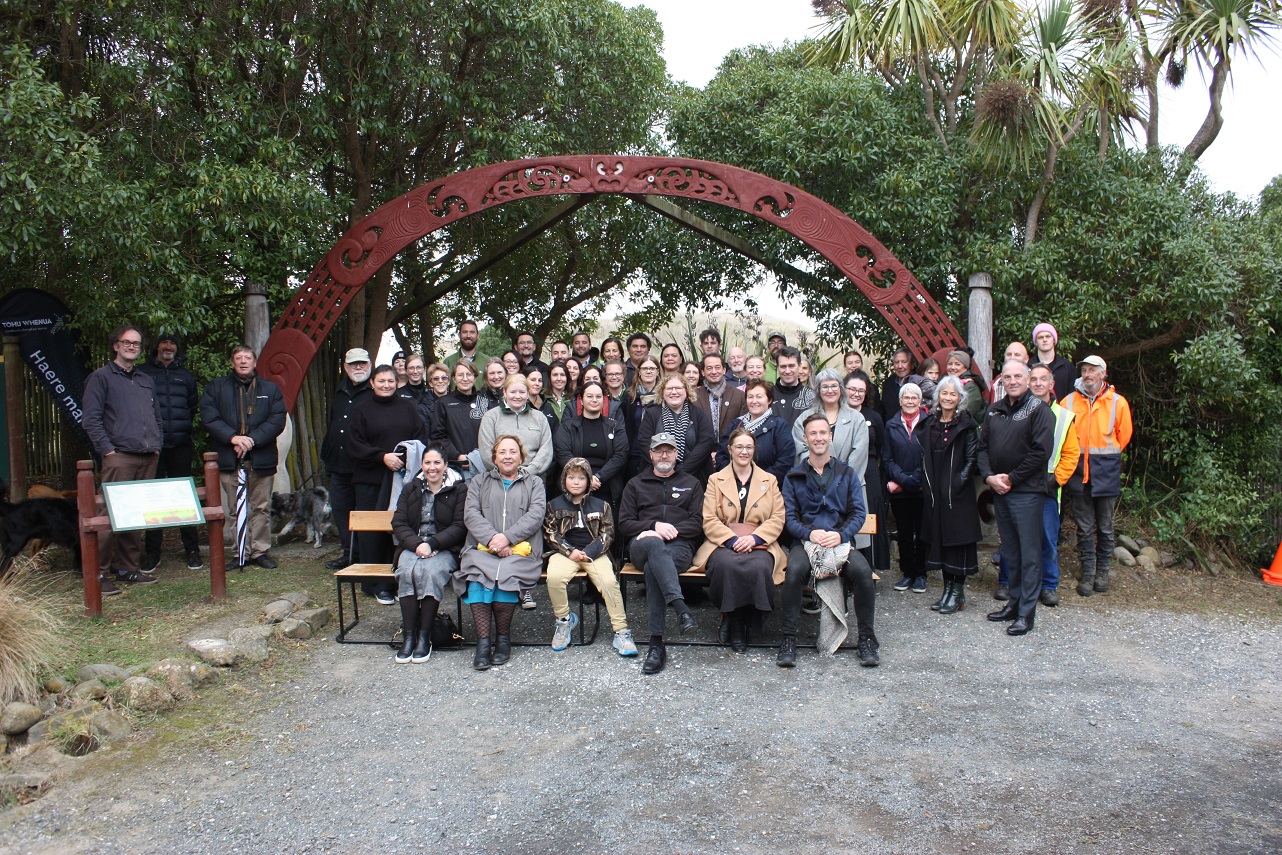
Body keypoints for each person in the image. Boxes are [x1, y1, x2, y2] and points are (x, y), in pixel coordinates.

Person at [779, 413, 879, 668]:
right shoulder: (793, 476)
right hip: (806, 542)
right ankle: (788, 639)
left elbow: (858, 512)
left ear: (830, 436)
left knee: (863, 573)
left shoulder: (846, 473)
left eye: (823, 433)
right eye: (813, 433)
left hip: (839, 541)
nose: (818, 438)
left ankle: (867, 638)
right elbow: (789, 518)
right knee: (794, 571)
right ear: (805, 438)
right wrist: (808, 533)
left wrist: (841, 534)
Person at [83, 324, 163, 594]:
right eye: (126, 342)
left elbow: (156, 417)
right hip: (119, 458)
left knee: (136, 515)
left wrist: (157, 444)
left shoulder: (144, 379)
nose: (131, 347)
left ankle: (129, 569)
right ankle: (99, 574)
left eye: (136, 343)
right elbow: (91, 420)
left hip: (147, 456)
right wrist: (108, 451)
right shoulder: (101, 377)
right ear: (115, 345)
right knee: (108, 517)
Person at [617, 433, 704, 675]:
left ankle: (656, 644)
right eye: (659, 451)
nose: (664, 455)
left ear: (677, 455)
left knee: (653, 567)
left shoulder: (692, 483)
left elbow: (697, 523)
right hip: (641, 545)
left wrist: (670, 531)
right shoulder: (635, 484)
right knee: (654, 546)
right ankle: (681, 609)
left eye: (669, 451)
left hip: (679, 547)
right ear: (651, 455)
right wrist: (653, 527)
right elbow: (624, 523)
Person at [692, 428, 786, 653]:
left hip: (759, 542)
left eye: (749, 447)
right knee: (727, 565)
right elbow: (709, 518)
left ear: (754, 450)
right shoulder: (715, 479)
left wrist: (754, 538)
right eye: (739, 447)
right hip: (724, 541)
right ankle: (734, 623)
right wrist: (732, 540)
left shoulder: (769, 480)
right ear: (730, 449)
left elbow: (778, 517)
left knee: (760, 566)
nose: (744, 451)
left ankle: (748, 619)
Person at [458, 434, 546, 669]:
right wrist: (493, 540)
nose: (508, 456)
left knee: (505, 575)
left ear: (521, 457)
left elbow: (536, 515)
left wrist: (508, 538)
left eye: (513, 452)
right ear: (494, 457)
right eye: (503, 452)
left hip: (521, 551)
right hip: (481, 548)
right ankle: (483, 643)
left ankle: (503, 640)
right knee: (478, 577)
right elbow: (471, 514)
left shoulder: (534, 483)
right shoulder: (479, 482)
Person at [996, 363, 1081, 606]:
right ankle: (1007, 581)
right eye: (1034, 379)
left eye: (1044, 379)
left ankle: (1048, 585)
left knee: (1046, 537)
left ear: (1052, 384)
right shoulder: (1015, 411)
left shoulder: (1064, 416)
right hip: (1018, 483)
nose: (1038, 383)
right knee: (1011, 537)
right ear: (1027, 382)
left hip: (1047, 486)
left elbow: (1071, 454)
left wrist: (1056, 480)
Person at [981, 360, 1054, 636]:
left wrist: (1010, 478)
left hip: (1027, 492)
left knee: (1030, 554)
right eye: (1007, 377)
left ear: (1027, 379)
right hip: (1000, 491)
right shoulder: (994, 411)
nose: (1012, 381)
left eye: (1017, 376)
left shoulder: (1039, 410)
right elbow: (982, 448)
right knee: (1011, 552)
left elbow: (1040, 453)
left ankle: (1026, 613)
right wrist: (989, 477)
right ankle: (1013, 604)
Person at [348, 364, 429, 603]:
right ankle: (377, 584)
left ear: (397, 383)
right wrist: (381, 456)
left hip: (402, 479)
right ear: (372, 383)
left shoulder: (408, 408)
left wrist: (405, 459)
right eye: (381, 381)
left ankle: (401, 578)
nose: (386, 385)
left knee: (400, 528)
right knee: (373, 533)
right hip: (371, 480)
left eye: (390, 381)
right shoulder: (361, 410)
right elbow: (354, 444)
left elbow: (420, 438)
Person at [200, 344, 286, 571]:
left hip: (262, 457)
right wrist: (233, 438)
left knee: (261, 506)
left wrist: (251, 440)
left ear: (255, 362)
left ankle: (260, 551)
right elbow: (209, 417)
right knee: (234, 507)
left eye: (247, 357)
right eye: (238, 357)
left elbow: (277, 420)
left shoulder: (271, 389)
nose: (243, 361)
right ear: (232, 362)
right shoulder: (217, 388)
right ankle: (240, 552)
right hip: (230, 457)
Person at [543, 458, 636, 656]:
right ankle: (564, 621)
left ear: (588, 481)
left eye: (581, 478)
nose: (575, 482)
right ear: (564, 480)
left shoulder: (601, 505)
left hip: (595, 553)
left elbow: (608, 533)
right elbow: (550, 533)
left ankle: (621, 631)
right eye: (571, 477)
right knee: (555, 578)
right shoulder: (554, 505)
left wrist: (590, 552)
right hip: (565, 553)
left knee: (609, 582)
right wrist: (569, 551)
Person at [1061, 355, 1132, 597]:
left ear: (1103, 373)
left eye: (1092, 370)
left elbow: (1124, 436)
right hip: (1077, 472)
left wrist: (1103, 459)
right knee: (1084, 527)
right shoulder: (1068, 402)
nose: (1087, 374)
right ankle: (1088, 571)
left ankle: (1102, 572)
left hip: (1106, 471)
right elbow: (1060, 436)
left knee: (1105, 527)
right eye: (1084, 370)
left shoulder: (1118, 403)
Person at [389, 445, 467, 664]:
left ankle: (425, 637)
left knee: (430, 572)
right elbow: (399, 522)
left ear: (445, 465)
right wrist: (417, 545)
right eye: (427, 463)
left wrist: (432, 543)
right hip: (413, 546)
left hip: (444, 547)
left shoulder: (459, 489)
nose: (432, 468)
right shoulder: (411, 488)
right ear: (422, 465)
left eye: (436, 463)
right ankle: (409, 637)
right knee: (407, 571)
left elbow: (460, 525)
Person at [915, 376, 982, 614]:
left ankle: (958, 593)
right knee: (942, 543)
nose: (948, 397)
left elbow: (972, 459)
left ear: (960, 398)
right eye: (944, 393)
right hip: (935, 496)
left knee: (958, 544)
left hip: (957, 495)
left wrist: (956, 485)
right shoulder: (930, 424)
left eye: (953, 394)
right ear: (938, 397)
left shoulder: (966, 424)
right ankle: (947, 590)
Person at [138, 332, 202, 572]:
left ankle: (192, 550)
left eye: (172, 343)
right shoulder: (143, 373)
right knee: (153, 499)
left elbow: (191, 407)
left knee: (184, 497)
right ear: (156, 347)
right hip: (152, 447)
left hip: (181, 444)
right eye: (164, 342)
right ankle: (153, 553)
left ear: (177, 348)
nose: (168, 346)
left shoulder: (185, 376)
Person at [319, 348, 372, 570]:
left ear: (370, 365)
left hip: (363, 466)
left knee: (363, 511)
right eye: (353, 364)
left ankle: (366, 554)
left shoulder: (375, 391)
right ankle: (348, 552)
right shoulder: (340, 390)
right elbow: (333, 422)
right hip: (338, 464)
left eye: (362, 363)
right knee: (340, 509)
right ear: (345, 367)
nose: (358, 368)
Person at [553, 381, 629, 511]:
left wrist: (598, 477)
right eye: (589, 396)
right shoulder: (567, 427)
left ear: (604, 400)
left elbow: (621, 455)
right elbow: (563, 454)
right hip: (574, 488)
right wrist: (586, 478)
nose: (594, 400)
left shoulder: (615, 426)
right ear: (581, 400)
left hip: (606, 486)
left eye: (599, 397)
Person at [883, 382, 927, 593]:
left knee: (921, 533)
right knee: (904, 533)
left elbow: (928, 456)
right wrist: (902, 479)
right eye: (906, 398)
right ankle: (907, 573)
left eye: (914, 398)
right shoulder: (891, 425)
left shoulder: (929, 424)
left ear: (920, 401)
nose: (910, 401)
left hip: (921, 489)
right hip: (900, 491)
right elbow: (887, 459)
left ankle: (921, 574)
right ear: (900, 401)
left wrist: (914, 480)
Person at [636, 372, 717, 483]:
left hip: (694, 476)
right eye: (669, 388)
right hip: (657, 476)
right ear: (662, 392)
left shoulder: (698, 414)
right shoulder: (652, 413)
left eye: (678, 388)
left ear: (686, 391)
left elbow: (706, 441)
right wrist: (665, 469)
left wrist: (682, 470)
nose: (674, 392)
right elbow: (644, 442)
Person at [846, 373, 890, 577]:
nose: (856, 394)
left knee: (868, 518)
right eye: (852, 389)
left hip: (869, 470)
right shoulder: (838, 414)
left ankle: (868, 569)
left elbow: (881, 446)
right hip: (842, 467)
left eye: (860, 390)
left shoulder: (874, 417)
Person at [477, 373, 554, 479]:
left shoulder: (539, 417)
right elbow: (486, 451)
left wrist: (528, 471)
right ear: (504, 392)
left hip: (533, 478)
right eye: (513, 392)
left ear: (527, 394)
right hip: (500, 480)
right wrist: (508, 472)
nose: (517, 396)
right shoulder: (491, 417)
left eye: (522, 392)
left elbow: (546, 450)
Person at [717, 378, 794, 481]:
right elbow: (722, 455)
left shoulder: (779, 426)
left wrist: (758, 481)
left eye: (759, 397)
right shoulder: (736, 425)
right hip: (734, 485)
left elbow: (785, 461)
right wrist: (735, 478)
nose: (754, 401)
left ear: (769, 400)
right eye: (750, 397)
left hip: (767, 486)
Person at [432, 360, 486, 482]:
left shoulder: (484, 402)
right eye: (460, 375)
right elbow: (438, 436)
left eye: (469, 374)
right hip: (456, 468)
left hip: (483, 466)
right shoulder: (443, 403)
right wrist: (457, 456)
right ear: (454, 379)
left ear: (475, 377)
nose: (465, 378)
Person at [622, 354, 661, 478]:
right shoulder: (630, 395)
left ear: (658, 371)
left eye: (652, 368)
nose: (648, 371)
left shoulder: (665, 396)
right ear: (639, 372)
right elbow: (625, 424)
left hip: (659, 453)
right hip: (634, 453)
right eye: (644, 368)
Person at [695, 352, 746, 440]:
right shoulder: (694, 396)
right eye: (709, 368)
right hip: (702, 449)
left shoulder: (739, 395)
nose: (714, 372)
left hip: (730, 449)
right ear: (703, 372)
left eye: (717, 367)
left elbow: (742, 428)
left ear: (724, 370)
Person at [770, 347, 815, 424]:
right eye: (783, 366)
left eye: (791, 366)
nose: (787, 371)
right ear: (777, 367)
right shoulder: (768, 395)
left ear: (799, 365)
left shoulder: (811, 396)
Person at [1032, 322, 1076, 401]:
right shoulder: (1028, 367)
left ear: (1054, 340)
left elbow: (1073, 396)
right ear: (1036, 342)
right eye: (1040, 337)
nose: (1044, 340)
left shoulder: (1067, 367)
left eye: (1048, 336)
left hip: (1062, 412)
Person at [944, 350, 985, 420]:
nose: (953, 367)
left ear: (965, 367)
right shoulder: (945, 382)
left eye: (957, 364)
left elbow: (965, 415)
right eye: (950, 364)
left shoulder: (971, 387)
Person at [522, 364, 560, 435]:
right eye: (533, 380)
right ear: (524, 381)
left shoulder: (547, 405)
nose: (537, 383)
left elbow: (556, 430)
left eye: (540, 380)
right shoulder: (520, 406)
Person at [881, 347, 915, 422]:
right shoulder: (888, 384)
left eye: (904, 362)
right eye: (896, 362)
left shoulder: (919, 383)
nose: (900, 366)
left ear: (912, 365)